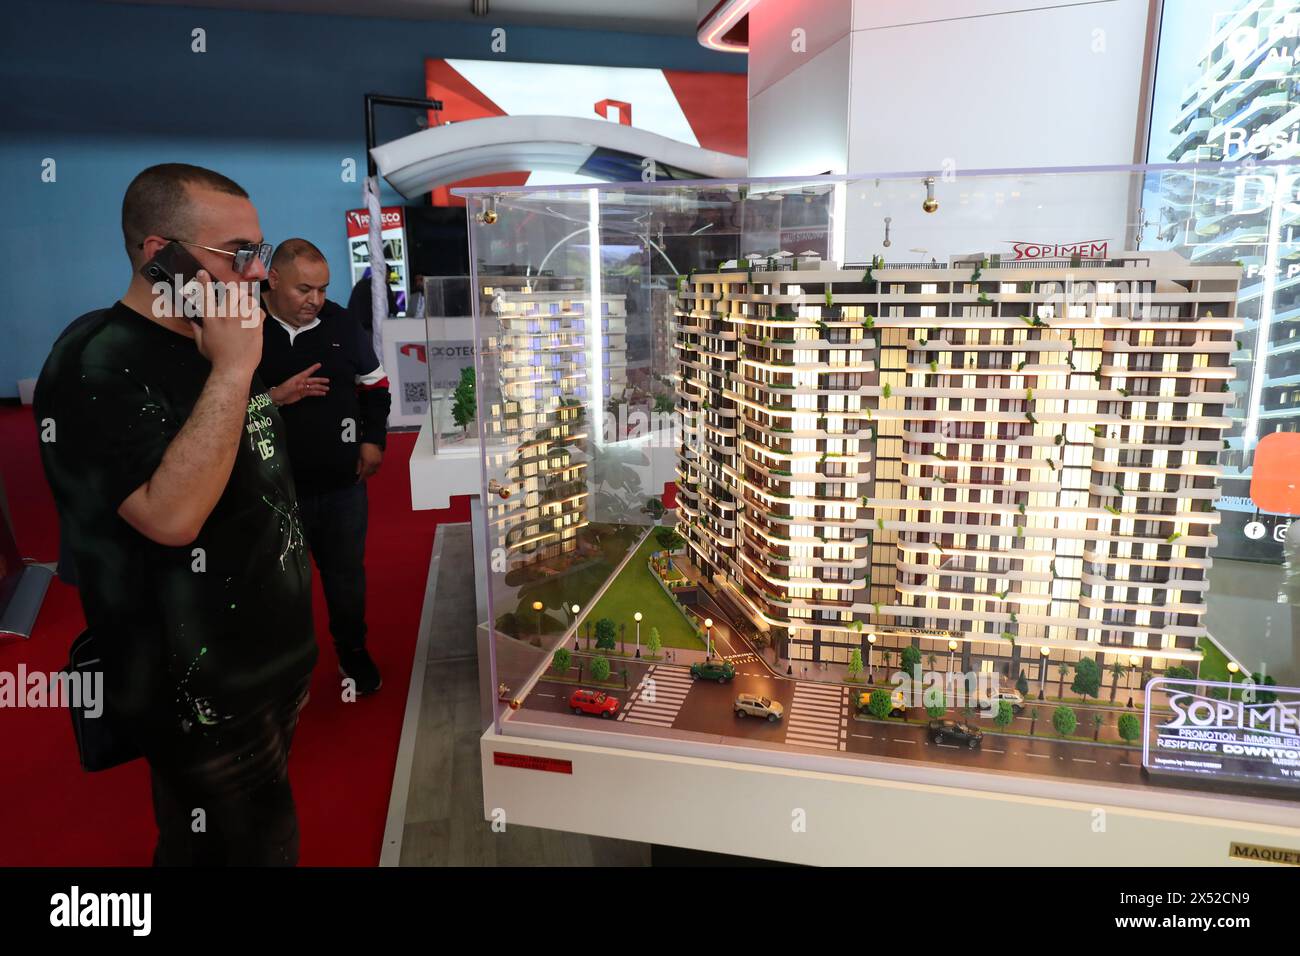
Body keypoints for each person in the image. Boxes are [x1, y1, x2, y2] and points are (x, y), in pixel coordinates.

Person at [34, 163, 318, 865]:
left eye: (259, 250)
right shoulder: (94, 363)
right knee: (243, 849)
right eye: (237, 254)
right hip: (198, 693)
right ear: (161, 257)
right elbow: (172, 518)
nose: (256, 274)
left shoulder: (214, 338)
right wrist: (231, 372)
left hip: (271, 662)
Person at [258, 239, 391, 696]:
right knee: (277, 587)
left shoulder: (339, 322)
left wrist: (373, 440)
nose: (315, 300)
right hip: (271, 491)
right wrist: (275, 398)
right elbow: (213, 408)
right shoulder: (240, 327)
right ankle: (285, 669)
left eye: (322, 288)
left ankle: (352, 652)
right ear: (272, 281)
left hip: (341, 487)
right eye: (303, 289)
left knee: (345, 578)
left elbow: (376, 386)